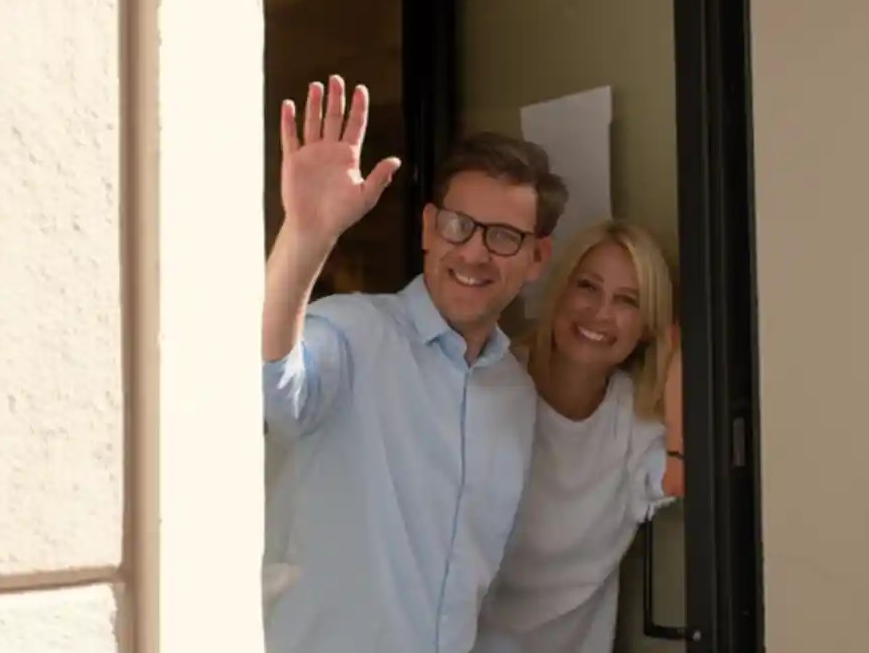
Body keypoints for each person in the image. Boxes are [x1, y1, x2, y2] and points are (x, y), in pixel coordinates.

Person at [262, 75, 569, 652]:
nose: (475, 252)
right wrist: (306, 236)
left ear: (537, 258)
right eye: (459, 226)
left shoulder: (516, 395)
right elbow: (267, 387)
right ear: (430, 227)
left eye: (504, 236)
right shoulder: (352, 333)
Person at [471, 220, 685, 653]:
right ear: (560, 290)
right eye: (588, 287)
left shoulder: (631, 416)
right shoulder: (491, 381)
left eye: (627, 301)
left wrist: (676, 357)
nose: (600, 313)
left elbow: (673, 479)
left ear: (646, 327)